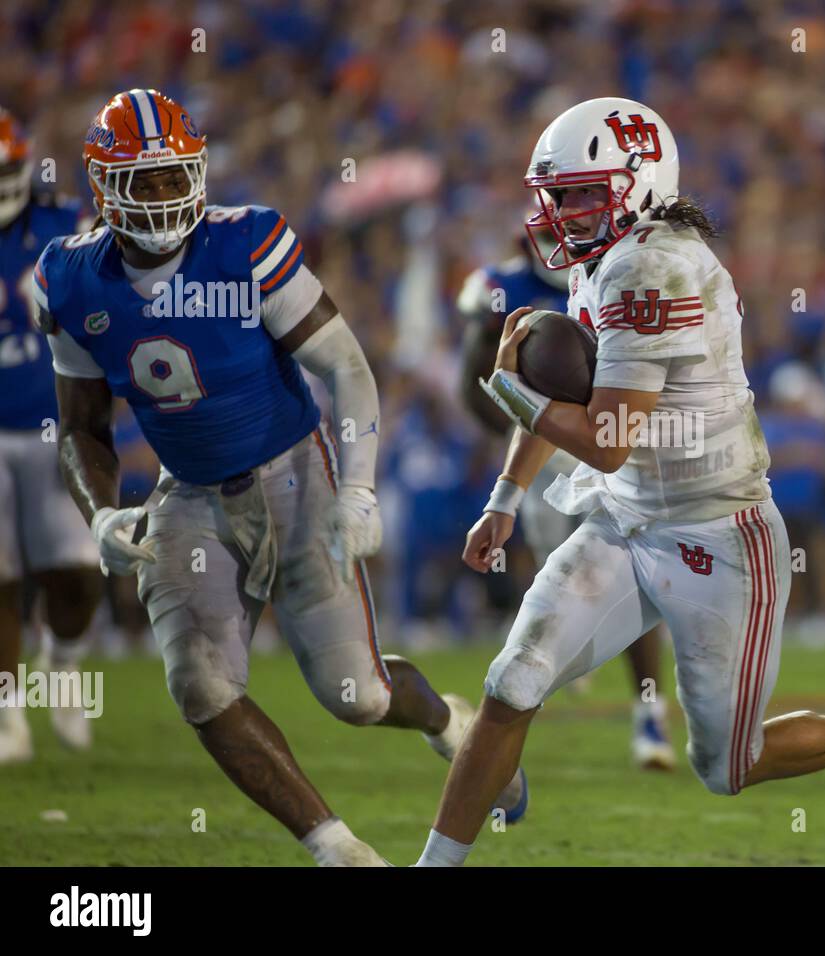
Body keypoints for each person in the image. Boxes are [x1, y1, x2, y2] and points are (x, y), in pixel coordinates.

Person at [416, 97, 825, 867]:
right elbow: (569, 408)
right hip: (624, 519)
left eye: (581, 192)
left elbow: (605, 442)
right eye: (559, 195)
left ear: (638, 183)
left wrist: (508, 389)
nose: (563, 211)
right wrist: (506, 495)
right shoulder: (606, 258)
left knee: (727, 764)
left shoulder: (653, 268)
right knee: (512, 682)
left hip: (718, 531)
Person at [38, 88, 524, 865]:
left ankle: (446, 722)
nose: (164, 194)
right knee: (199, 686)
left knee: (357, 696)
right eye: (144, 180)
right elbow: (81, 427)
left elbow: (346, 366)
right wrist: (100, 513)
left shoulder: (245, 242)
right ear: (103, 187)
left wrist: (359, 487)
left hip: (296, 474)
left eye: (175, 176)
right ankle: (338, 850)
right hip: (188, 495)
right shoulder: (70, 280)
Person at [456, 230, 675, 769]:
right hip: (541, 451)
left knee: (628, 574)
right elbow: (473, 384)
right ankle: (567, 655)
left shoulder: (624, 277)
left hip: (610, 447)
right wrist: (527, 433)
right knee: (556, 576)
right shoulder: (502, 289)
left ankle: (649, 713)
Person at [0, 107, 101, 761]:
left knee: (78, 576)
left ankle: (61, 663)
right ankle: (6, 712)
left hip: (53, 425)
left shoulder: (65, 224)